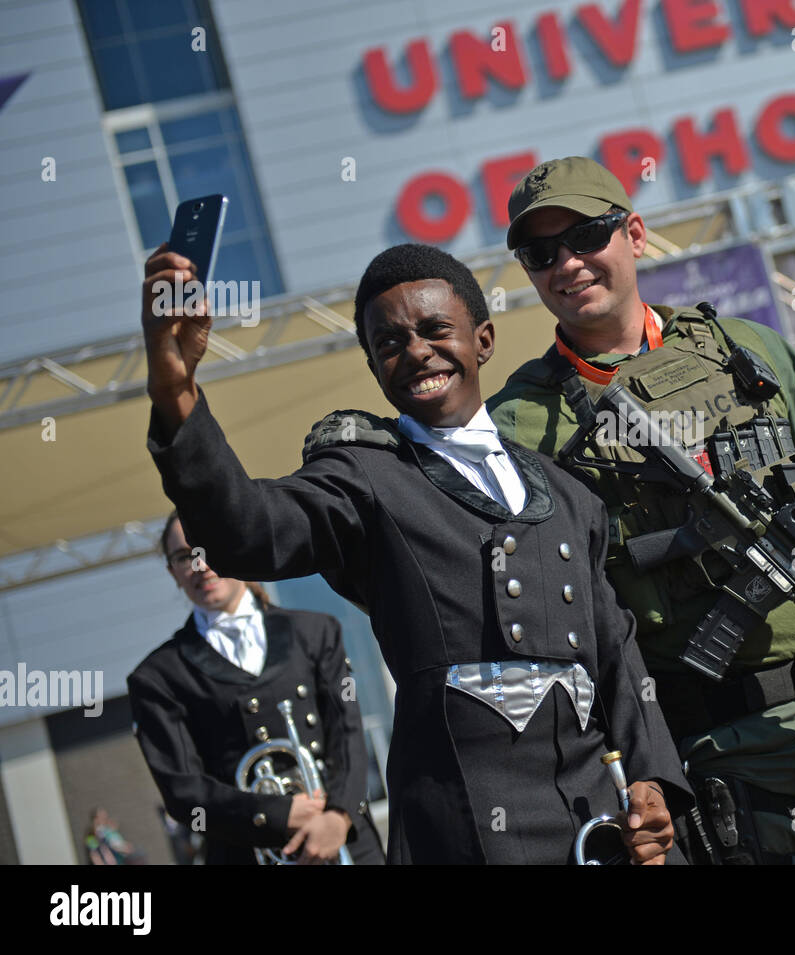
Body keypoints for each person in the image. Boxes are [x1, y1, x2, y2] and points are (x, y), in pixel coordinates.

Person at [482, 156, 795, 864]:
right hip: (719, 757)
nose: (567, 263)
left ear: (634, 234)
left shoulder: (745, 350)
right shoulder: (517, 425)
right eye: (541, 253)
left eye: (587, 236)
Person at [141, 240, 690, 864]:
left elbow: (616, 655)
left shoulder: (568, 494)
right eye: (390, 344)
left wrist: (650, 783)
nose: (417, 352)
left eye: (435, 330)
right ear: (376, 369)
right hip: (464, 830)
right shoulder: (363, 478)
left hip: (599, 819)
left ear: (482, 340)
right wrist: (174, 385)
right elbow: (245, 531)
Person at [128, 513, 386, 865]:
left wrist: (338, 815)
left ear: (237, 549)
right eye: (185, 556)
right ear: (173, 572)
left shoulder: (316, 632)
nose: (201, 565)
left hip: (344, 842)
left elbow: (349, 735)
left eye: (209, 548)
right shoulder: (156, 678)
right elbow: (182, 792)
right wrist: (276, 813)